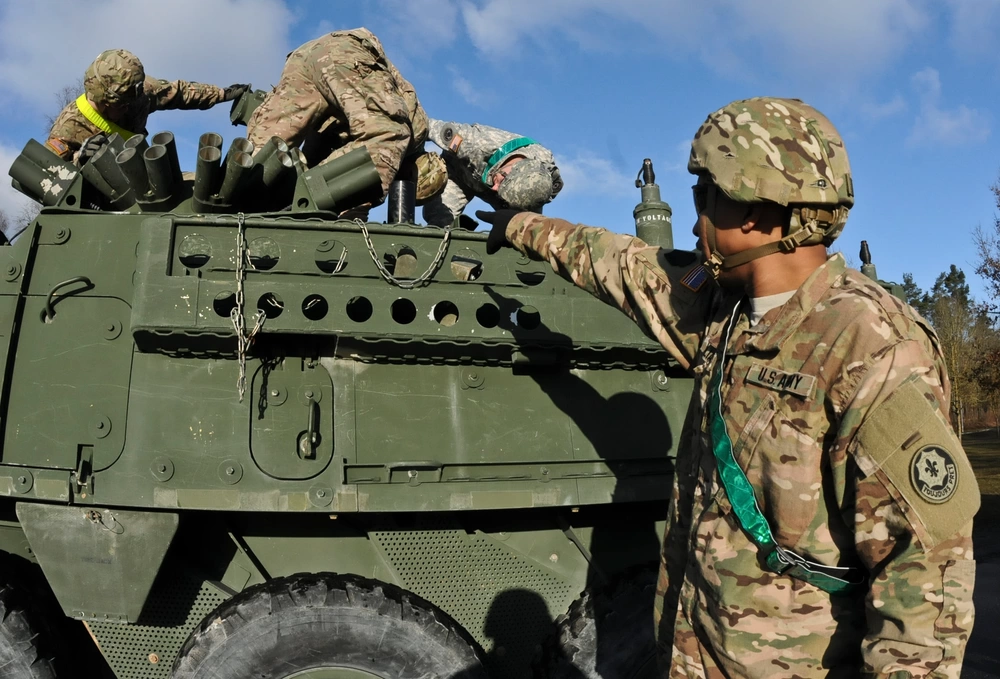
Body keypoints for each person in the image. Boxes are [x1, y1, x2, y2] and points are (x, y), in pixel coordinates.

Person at [477, 97, 979, 678]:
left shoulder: (870, 346)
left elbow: (924, 585)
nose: (694, 222)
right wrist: (519, 226)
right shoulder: (725, 313)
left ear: (750, 211)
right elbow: (621, 266)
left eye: (704, 196)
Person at [246, 28, 428, 200]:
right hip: (344, 55)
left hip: (305, 59)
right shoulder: (417, 133)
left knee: (257, 166)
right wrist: (356, 206)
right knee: (391, 132)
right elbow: (387, 132)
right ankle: (306, 203)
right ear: (413, 172)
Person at [45, 49, 247, 164]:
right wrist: (80, 158)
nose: (130, 108)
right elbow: (47, 174)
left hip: (143, 173)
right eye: (123, 105)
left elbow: (179, 92)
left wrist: (221, 94)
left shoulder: (137, 93)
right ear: (104, 102)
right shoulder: (69, 126)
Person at [421, 118, 562, 228]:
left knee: (525, 231)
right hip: (460, 173)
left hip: (509, 197)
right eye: (501, 182)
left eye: (500, 187)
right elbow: (425, 126)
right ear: (511, 167)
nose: (494, 188)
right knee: (439, 220)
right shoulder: (474, 142)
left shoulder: (543, 181)